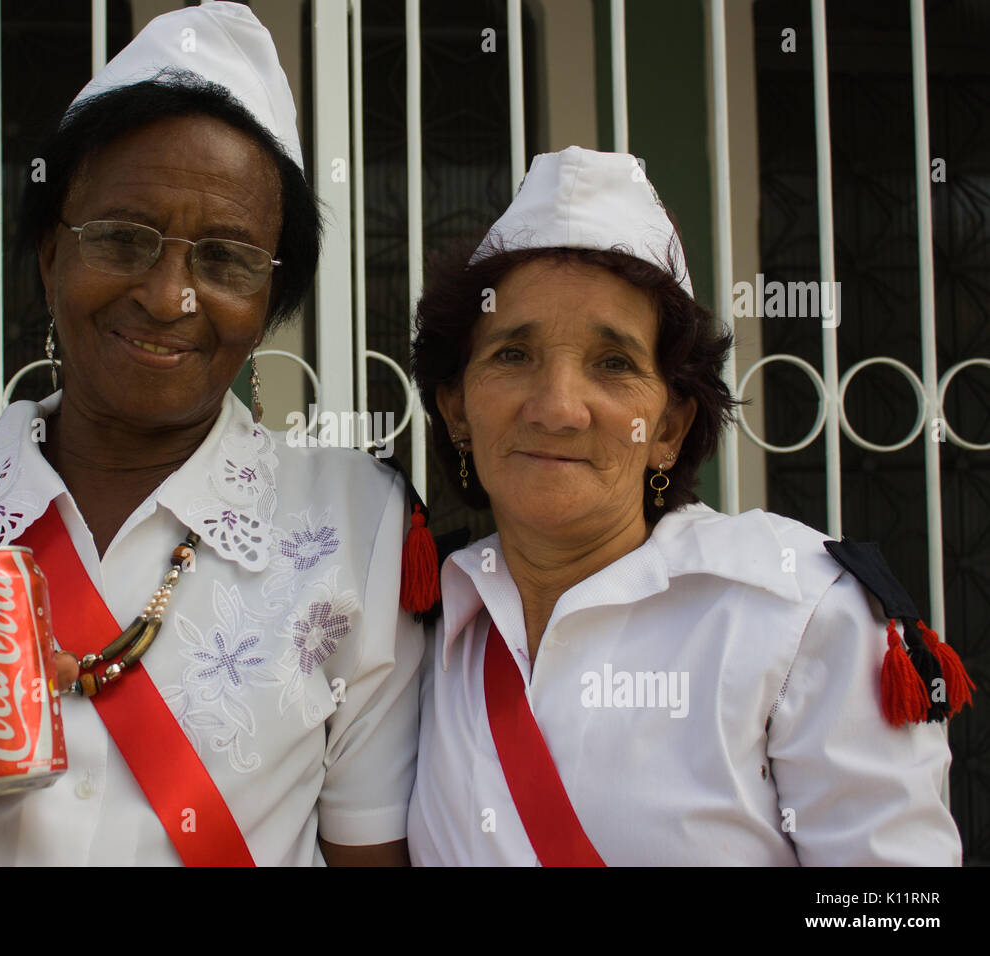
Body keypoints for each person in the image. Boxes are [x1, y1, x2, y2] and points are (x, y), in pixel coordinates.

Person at [0, 2, 422, 867]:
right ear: (48, 257)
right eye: (121, 238)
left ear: (268, 304)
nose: (167, 294)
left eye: (225, 258)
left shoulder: (356, 528)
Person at [405, 146, 968, 865]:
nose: (556, 408)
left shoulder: (798, 614)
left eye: (614, 364)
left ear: (668, 428)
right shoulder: (422, 622)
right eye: (513, 355)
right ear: (456, 410)